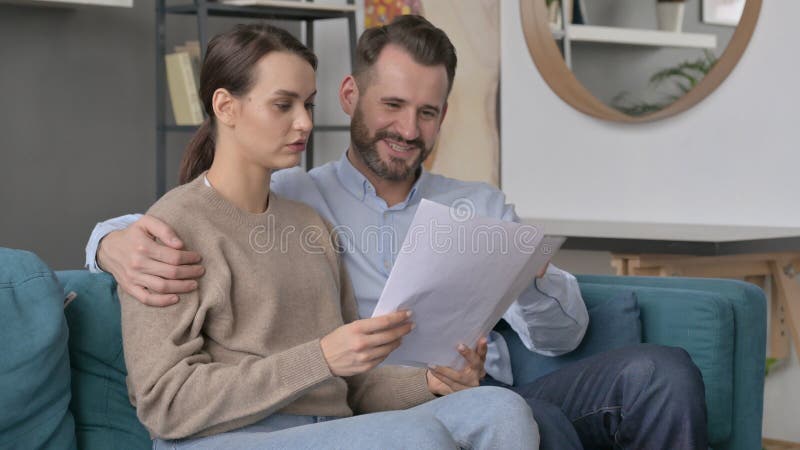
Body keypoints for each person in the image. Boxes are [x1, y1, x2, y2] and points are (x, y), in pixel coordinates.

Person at [89, 16, 707, 450]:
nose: (409, 129)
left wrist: (520, 283)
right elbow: (182, 233)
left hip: (411, 394)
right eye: (285, 105)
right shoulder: (244, 211)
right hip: (267, 424)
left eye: (428, 112)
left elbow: (357, 382)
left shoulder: (317, 223)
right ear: (352, 96)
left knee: (528, 405)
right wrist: (106, 245)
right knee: (465, 430)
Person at [118, 22, 539, 449]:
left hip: (329, 427)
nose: (303, 123)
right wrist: (320, 357)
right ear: (226, 107)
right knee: (414, 435)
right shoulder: (168, 234)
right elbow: (165, 404)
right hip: (230, 435)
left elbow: (350, 387)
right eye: (283, 105)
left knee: (501, 410)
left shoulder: (309, 225)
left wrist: (430, 382)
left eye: (309, 104)